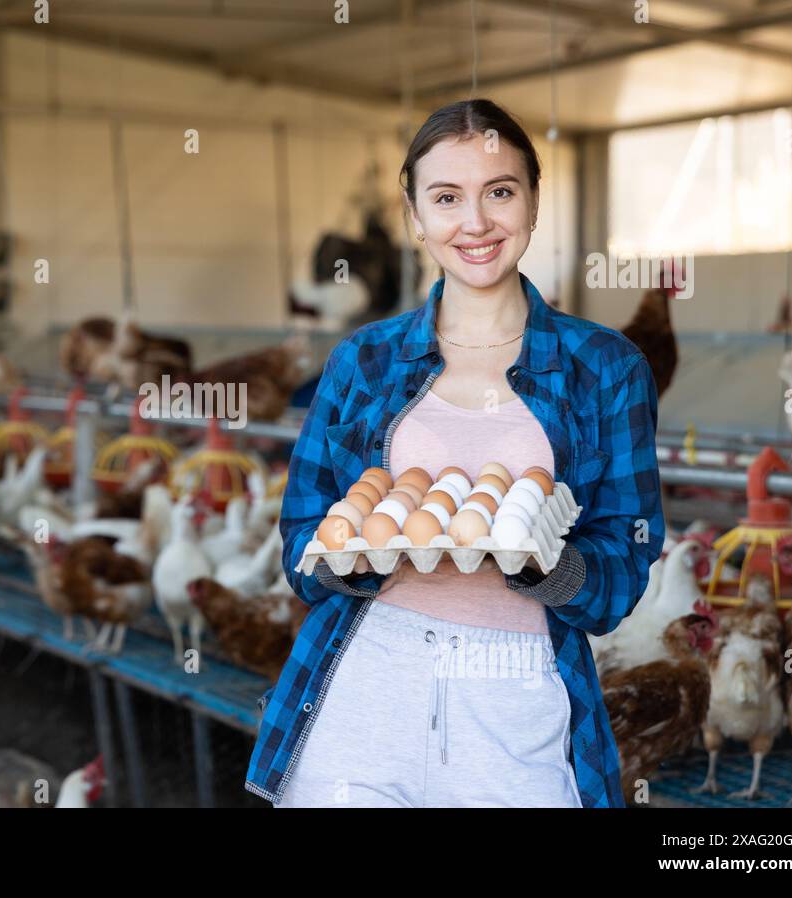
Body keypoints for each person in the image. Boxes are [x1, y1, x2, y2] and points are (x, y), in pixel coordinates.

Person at [246, 98, 664, 808]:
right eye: (446, 198)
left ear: (533, 202)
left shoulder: (607, 368)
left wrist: (549, 566)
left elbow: (625, 564)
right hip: (368, 675)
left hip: (517, 690)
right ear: (414, 216)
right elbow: (301, 546)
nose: (475, 223)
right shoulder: (362, 362)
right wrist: (353, 552)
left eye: (500, 192)